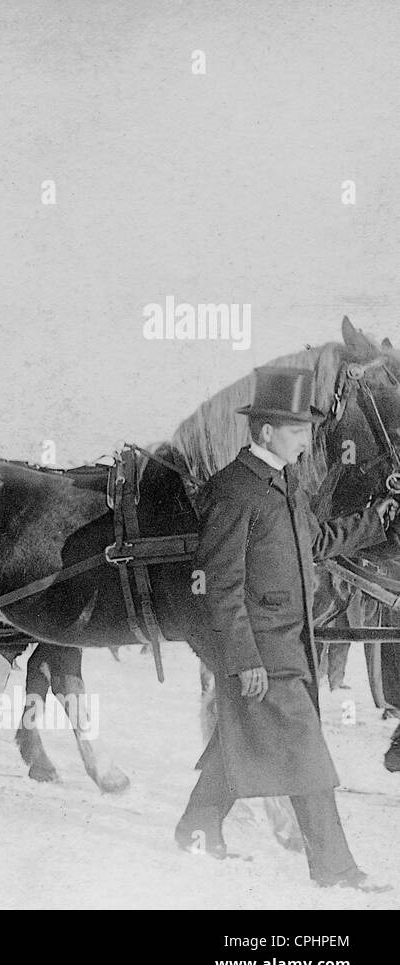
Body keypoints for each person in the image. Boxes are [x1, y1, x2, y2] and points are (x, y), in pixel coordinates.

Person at [177, 366, 396, 891]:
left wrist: (377, 518)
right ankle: (336, 870)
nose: (309, 438)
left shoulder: (285, 484)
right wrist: (244, 659)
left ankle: (196, 828)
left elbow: (314, 543)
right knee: (306, 756)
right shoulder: (236, 491)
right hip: (262, 652)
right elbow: (219, 587)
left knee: (238, 745)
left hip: (290, 646)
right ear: (268, 431)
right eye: (299, 430)